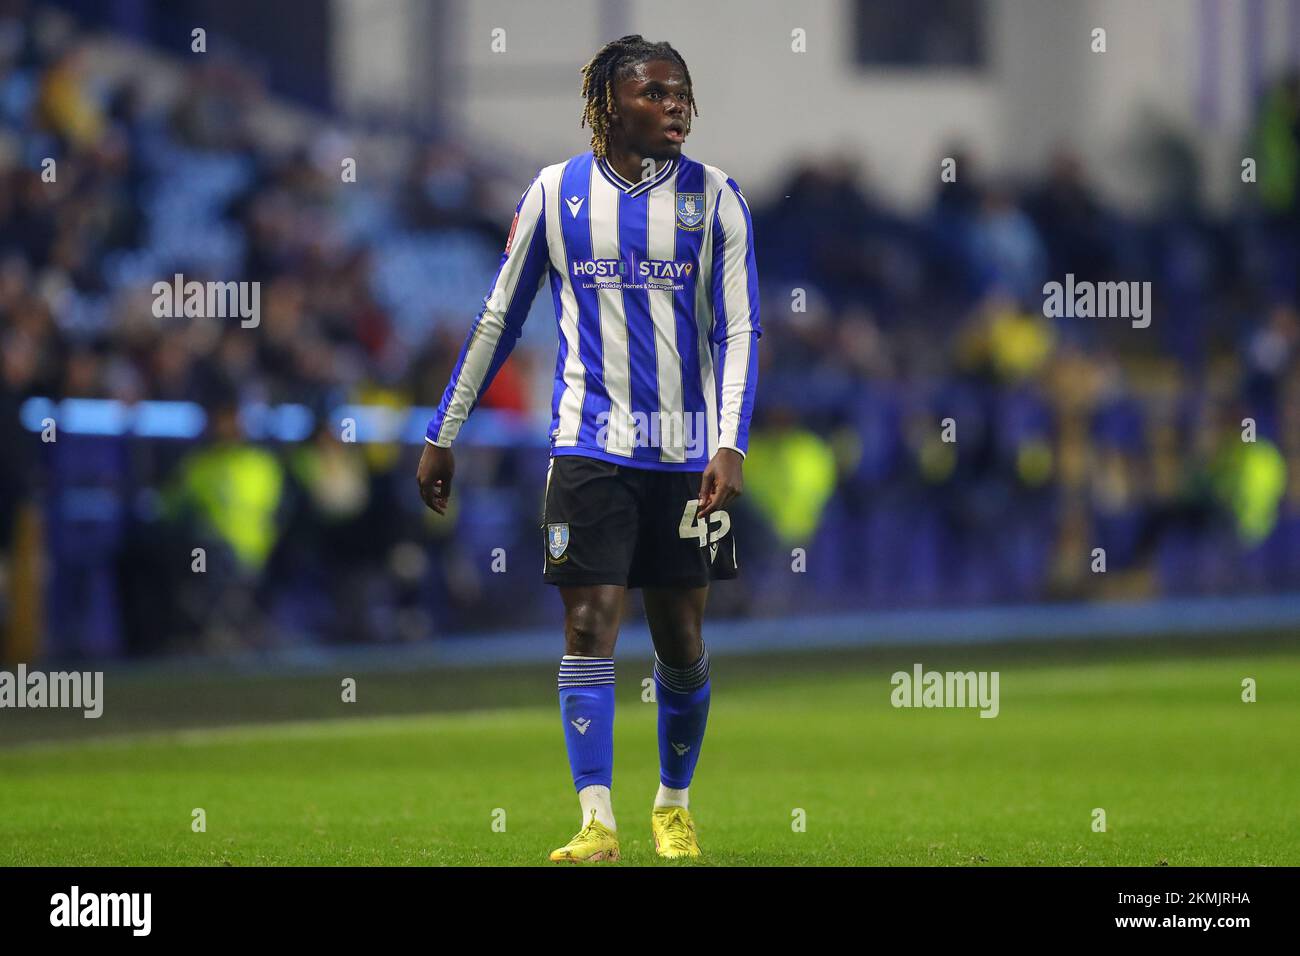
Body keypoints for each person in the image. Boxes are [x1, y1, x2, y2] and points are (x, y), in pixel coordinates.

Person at [416, 35, 761, 862]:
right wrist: (443, 431)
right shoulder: (554, 193)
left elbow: (741, 327)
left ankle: (672, 806)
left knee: (679, 637)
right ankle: (596, 821)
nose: (677, 105)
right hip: (587, 447)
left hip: (684, 456)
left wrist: (730, 443)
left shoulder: (716, 198)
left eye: (683, 92)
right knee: (587, 624)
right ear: (610, 103)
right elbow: (499, 317)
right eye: (656, 92)